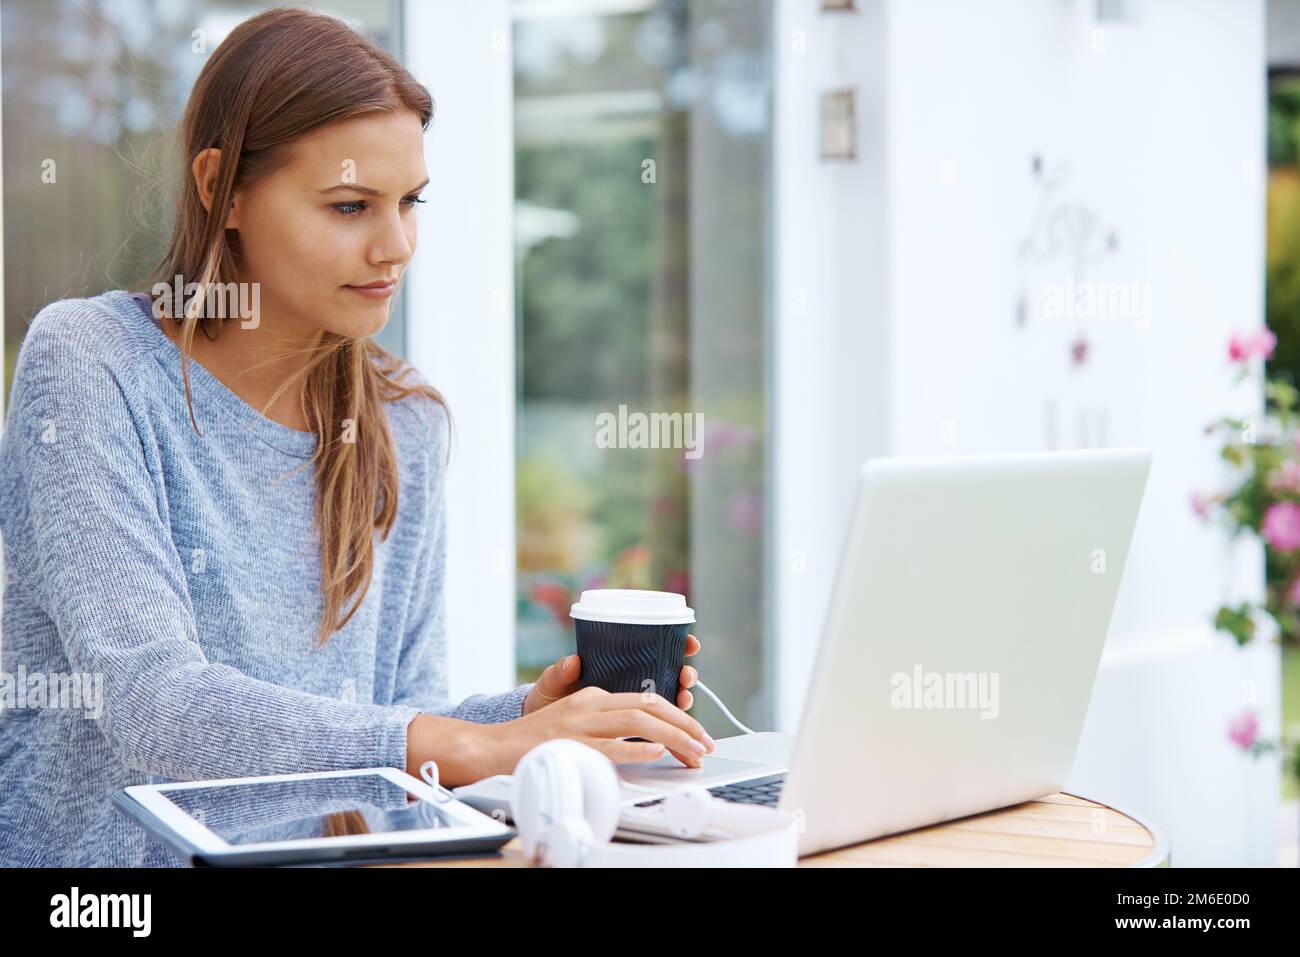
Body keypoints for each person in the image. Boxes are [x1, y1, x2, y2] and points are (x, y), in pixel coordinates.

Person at [0, 6, 712, 867]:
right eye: (350, 206)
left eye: (409, 202)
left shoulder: (400, 420)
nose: (396, 244)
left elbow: (399, 733)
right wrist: (478, 745)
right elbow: (157, 705)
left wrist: (530, 715)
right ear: (219, 187)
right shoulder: (92, 362)